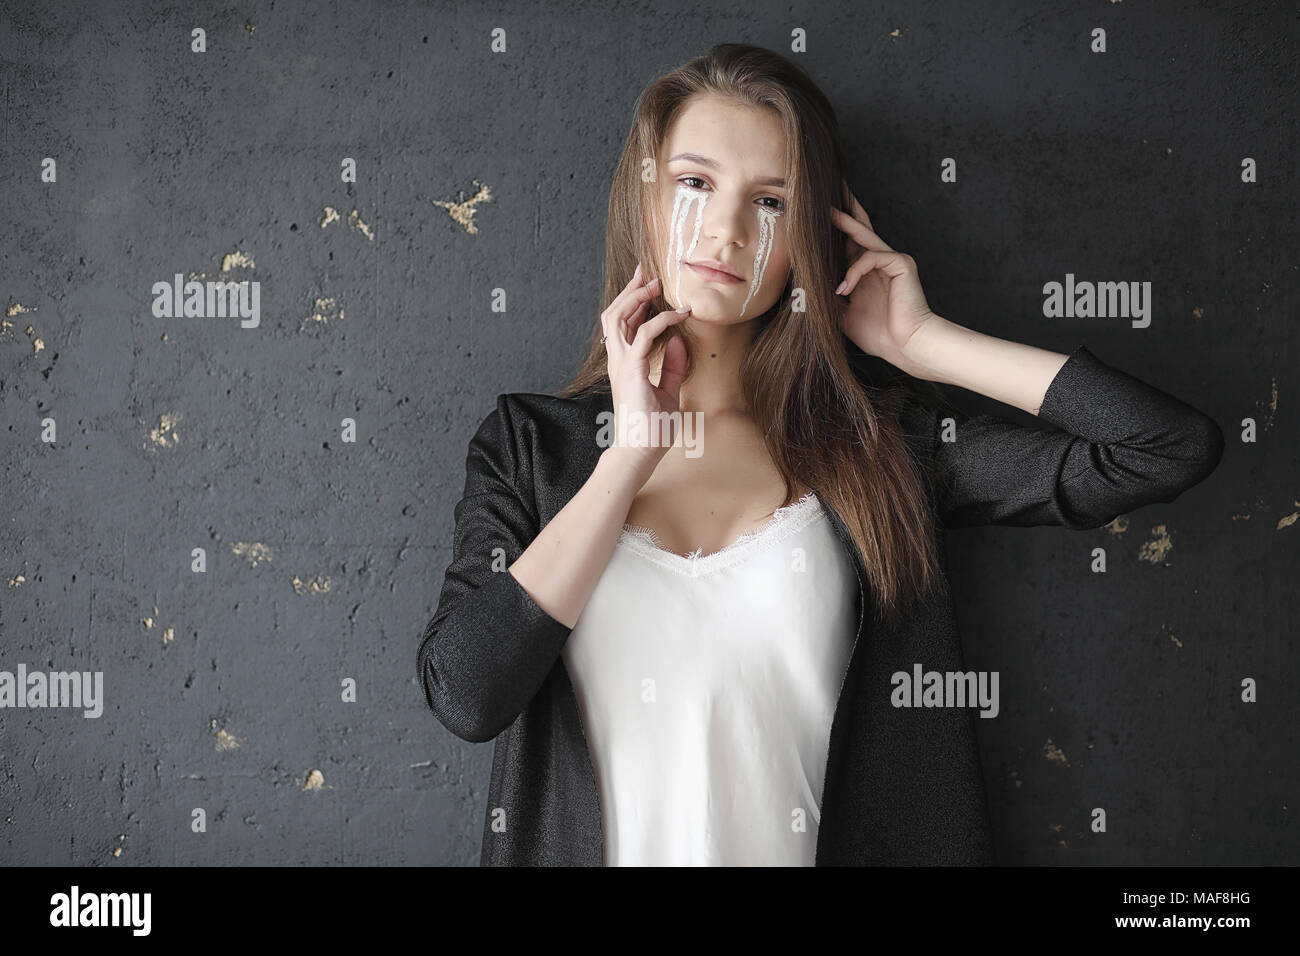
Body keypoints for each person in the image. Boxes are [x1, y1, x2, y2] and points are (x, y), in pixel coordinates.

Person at [417, 43, 1224, 866]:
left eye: (770, 201)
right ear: (646, 195)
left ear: (810, 234)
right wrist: (629, 454)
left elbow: (1162, 447)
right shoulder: (529, 445)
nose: (727, 231)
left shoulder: (878, 451)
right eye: (695, 183)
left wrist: (926, 344)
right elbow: (468, 695)